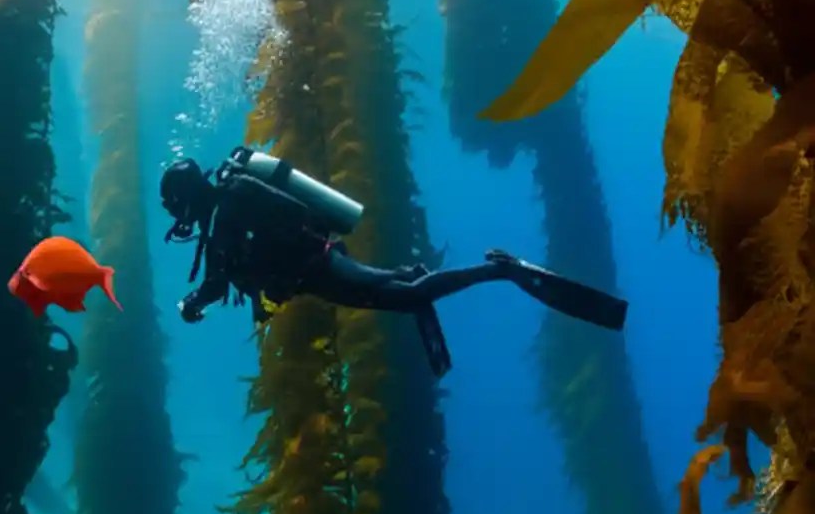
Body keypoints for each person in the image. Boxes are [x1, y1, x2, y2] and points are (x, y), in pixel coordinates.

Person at [159, 152, 629, 377]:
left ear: (184, 199)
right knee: (390, 288)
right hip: (318, 266)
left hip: (320, 267)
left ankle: (500, 269)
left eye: (174, 207)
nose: (177, 220)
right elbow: (232, 271)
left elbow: (219, 281)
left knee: (408, 298)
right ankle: (409, 272)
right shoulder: (226, 208)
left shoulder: (226, 210)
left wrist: (190, 303)